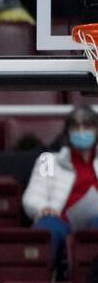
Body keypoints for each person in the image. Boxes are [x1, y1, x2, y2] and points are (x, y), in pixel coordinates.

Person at [23, 105, 98, 263]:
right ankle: (44, 280)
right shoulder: (49, 160)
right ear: (68, 132)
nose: (82, 131)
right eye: (76, 126)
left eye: (88, 126)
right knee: (47, 228)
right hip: (60, 220)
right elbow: (32, 195)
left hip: (95, 221)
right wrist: (42, 208)